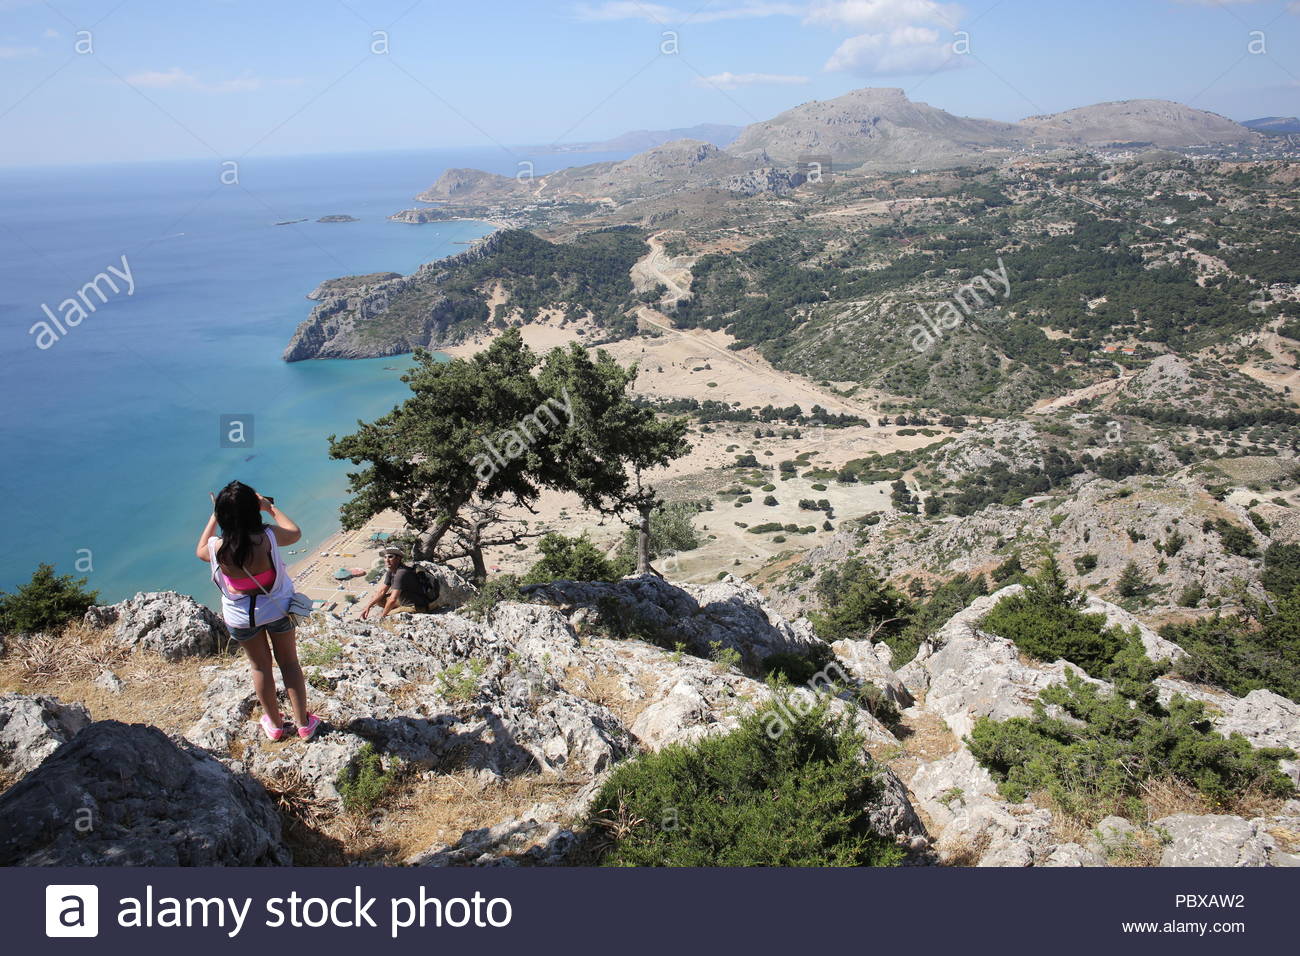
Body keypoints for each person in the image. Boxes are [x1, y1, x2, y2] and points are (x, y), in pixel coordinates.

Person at [196, 481, 321, 741]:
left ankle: (275, 726)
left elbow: (200, 551)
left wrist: (214, 517)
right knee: (289, 663)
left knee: (260, 668)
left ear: (222, 515)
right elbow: (295, 532)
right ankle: (303, 723)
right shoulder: (268, 537)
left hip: (242, 618)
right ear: (254, 510)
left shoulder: (218, 547)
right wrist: (270, 508)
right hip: (278, 610)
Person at [358, 546, 429, 619]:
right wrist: (367, 607)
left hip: (415, 606)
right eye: (385, 557)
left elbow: (393, 599)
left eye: (390, 557)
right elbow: (381, 591)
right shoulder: (391, 571)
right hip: (404, 599)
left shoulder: (401, 573)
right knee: (378, 599)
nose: (387, 560)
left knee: (383, 615)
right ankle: (392, 609)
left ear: (398, 558)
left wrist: (382, 615)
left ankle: (393, 611)